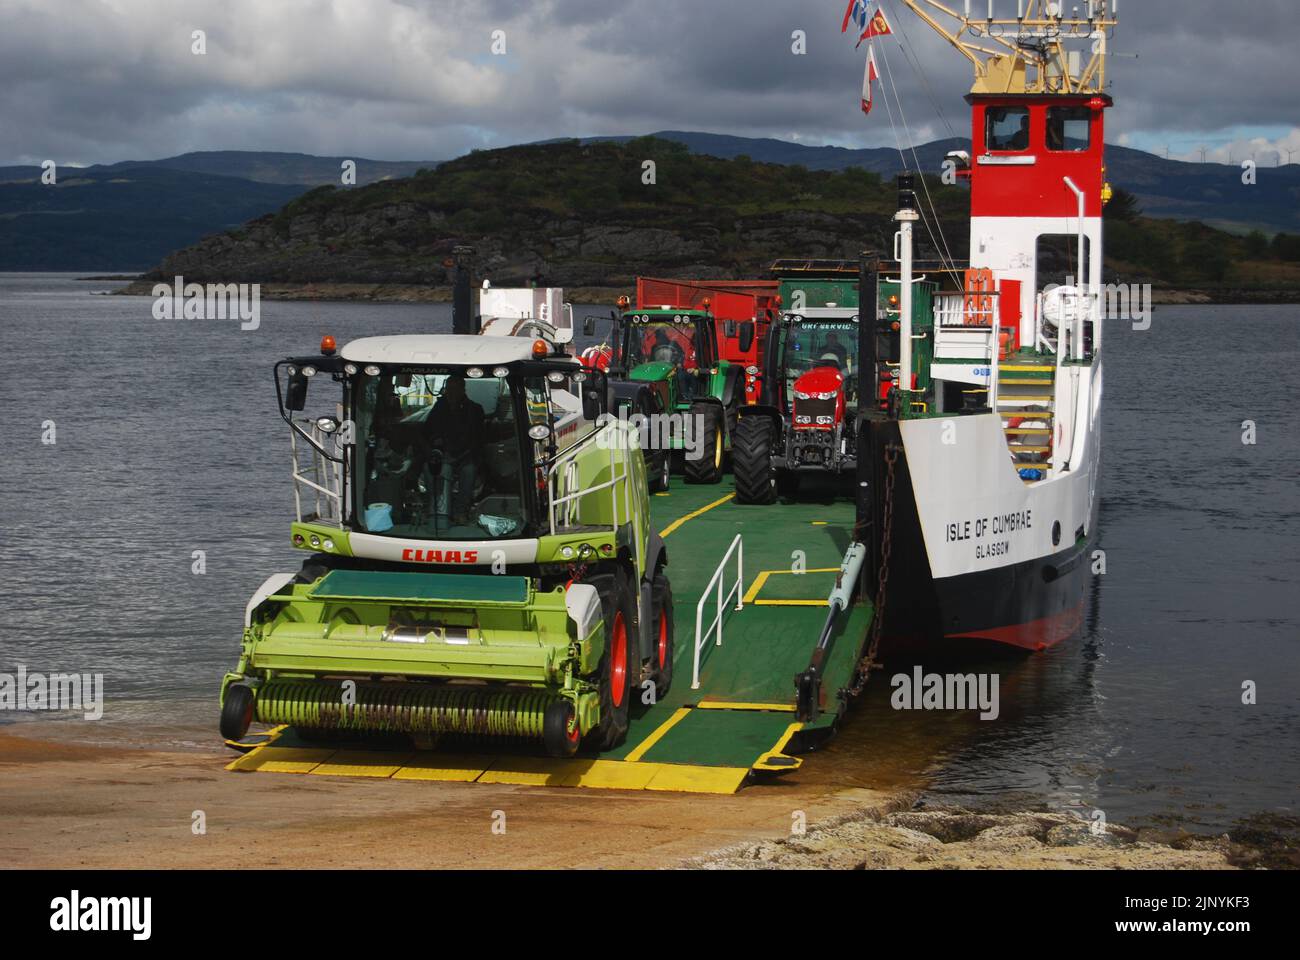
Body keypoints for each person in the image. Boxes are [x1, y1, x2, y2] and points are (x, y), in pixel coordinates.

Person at [424, 375, 485, 524]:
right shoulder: (439, 408)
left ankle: (461, 512)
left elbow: (478, 438)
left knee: (469, 471)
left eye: (455, 389)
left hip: (466, 454)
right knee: (434, 468)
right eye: (449, 389)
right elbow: (428, 430)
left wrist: (461, 453)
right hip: (443, 453)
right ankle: (437, 510)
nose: (451, 392)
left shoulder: (475, 410)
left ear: (462, 390)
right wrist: (437, 446)